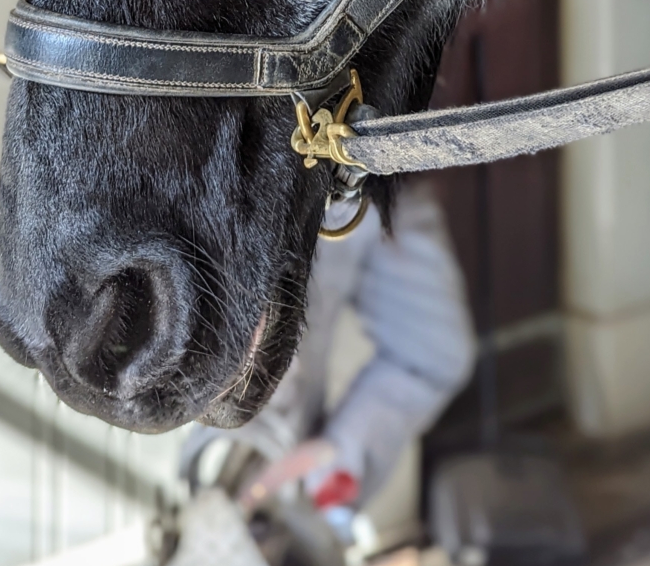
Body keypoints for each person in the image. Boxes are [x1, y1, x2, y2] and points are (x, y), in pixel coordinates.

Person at [182, 181, 476, 545]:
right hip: (309, 181)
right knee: (275, 374)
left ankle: (252, 496)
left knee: (437, 353)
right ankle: (249, 498)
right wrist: (334, 461)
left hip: (378, 169)